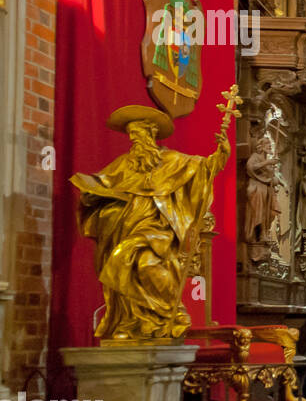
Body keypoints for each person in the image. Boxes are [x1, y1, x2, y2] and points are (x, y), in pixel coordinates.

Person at [71, 105, 230, 342]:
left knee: (144, 263)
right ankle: (131, 322)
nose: (134, 139)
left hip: (159, 229)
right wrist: (90, 194)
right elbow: (102, 183)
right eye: (131, 135)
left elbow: (204, 168)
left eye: (138, 134)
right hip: (126, 228)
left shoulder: (172, 161)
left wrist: (222, 154)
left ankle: (169, 313)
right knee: (123, 265)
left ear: (151, 134)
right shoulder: (124, 164)